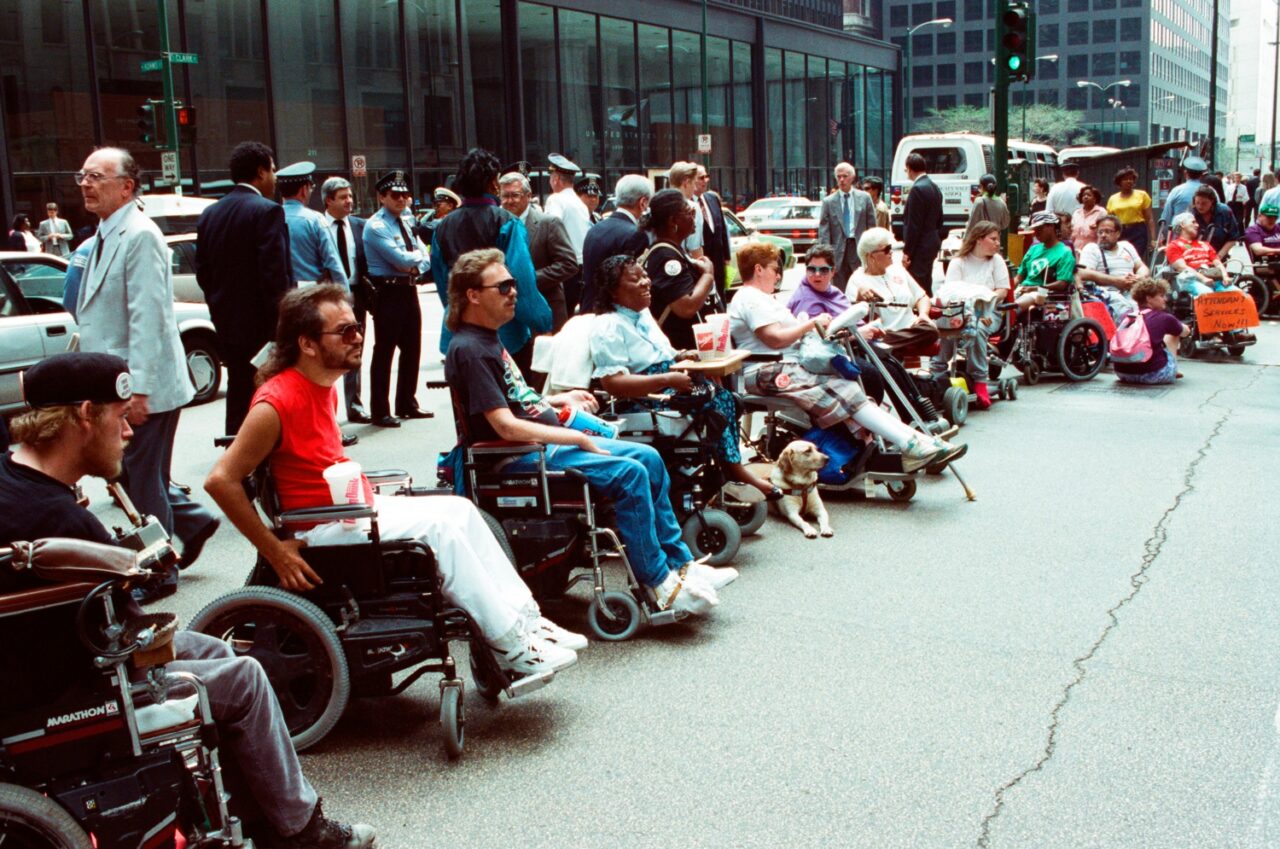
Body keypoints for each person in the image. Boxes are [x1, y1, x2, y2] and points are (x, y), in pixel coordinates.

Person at [0, 352, 376, 849]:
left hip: (33, 663)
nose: (131, 430)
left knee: (215, 651)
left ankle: (261, 814)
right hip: (65, 686)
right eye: (120, 415)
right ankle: (300, 830)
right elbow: (131, 630)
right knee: (244, 677)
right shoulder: (60, 518)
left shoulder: (15, 480)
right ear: (85, 416)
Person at [205, 284, 584, 676]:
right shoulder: (277, 402)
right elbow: (221, 480)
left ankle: (528, 621)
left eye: (357, 328)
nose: (358, 338)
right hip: (322, 525)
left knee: (460, 509)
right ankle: (509, 644)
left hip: (349, 509)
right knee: (440, 527)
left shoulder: (323, 388)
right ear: (308, 344)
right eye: (345, 332)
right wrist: (274, 550)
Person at [443, 248, 734, 618]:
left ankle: (682, 564)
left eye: (513, 285)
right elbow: (504, 425)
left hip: (534, 443)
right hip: (515, 456)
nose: (514, 292)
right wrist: (578, 438)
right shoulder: (470, 349)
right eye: (503, 287)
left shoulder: (486, 339)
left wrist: (558, 397)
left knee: (649, 456)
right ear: (472, 294)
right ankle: (659, 583)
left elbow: (514, 401)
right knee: (629, 472)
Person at [75, 146, 217, 603]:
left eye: (96, 176)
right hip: (114, 383)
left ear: (127, 186)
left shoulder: (140, 235)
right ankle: (193, 521)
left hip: (139, 384)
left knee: (137, 475)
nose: (85, 183)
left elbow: (149, 319)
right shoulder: (105, 232)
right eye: (82, 175)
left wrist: (137, 390)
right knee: (135, 473)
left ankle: (161, 571)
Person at [727, 241, 963, 471]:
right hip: (768, 371)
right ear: (759, 269)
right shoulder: (749, 298)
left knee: (852, 386)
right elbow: (774, 339)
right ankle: (911, 444)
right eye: (774, 270)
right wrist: (809, 324)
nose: (778, 276)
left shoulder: (761, 298)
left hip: (784, 366)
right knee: (846, 390)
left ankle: (917, 442)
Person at [589, 254, 778, 501]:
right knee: (716, 403)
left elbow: (661, 354)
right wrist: (666, 379)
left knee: (729, 398)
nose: (646, 282)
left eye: (645, 275)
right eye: (635, 280)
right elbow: (613, 383)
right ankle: (735, 470)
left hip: (669, 381)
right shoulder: (608, 326)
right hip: (644, 396)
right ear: (613, 291)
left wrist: (682, 355)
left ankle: (729, 467)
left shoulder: (642, 314)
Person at [788, 244, 951, 433]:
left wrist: (866, 330)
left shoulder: (834, 293)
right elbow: (818, 341)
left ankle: (915, 416)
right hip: (830, 354)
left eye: (823, 270)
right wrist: (857, 335)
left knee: (890, 362)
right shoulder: (806, 299)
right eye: (811, 269)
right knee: (875, 371)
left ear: (833, 271)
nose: (817, 275)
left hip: (856, 343)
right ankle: (903, 422)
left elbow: (848, 319)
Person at [196, 141, 292, 434]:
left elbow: (204, 274)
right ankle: (262, 466)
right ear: (261, 171)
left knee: (237, 392)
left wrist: (220, 310)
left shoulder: (210, 214)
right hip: (263, 330)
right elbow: (276, 277)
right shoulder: (267, 212)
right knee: (268, 396)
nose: (275, 178)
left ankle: (236, 456)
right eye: (273, 170)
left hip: (227, 326)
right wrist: (281, 328)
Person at [430, 149, 550, 377]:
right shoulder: (507, 222)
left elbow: (443, 284)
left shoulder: (442, 228)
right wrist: (542, 322)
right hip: (505, 333)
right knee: (515, 404)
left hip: (460, 332)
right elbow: (522, 280)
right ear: (494, 183)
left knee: (466, 405)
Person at [364, 169, 433, 428]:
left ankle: (407, 402)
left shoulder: (405, 221)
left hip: (408, 288)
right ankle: (380, 410)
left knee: (412, 348)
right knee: (385, 351)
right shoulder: (376, 226)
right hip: (388, 291)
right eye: (395, 195)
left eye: (405, 195)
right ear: (382, 197)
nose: (402, 200)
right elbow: (402, 260)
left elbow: (424, 256)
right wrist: (415, 261)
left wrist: (415, 262)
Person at [930, 222, 1010, 410]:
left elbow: (1002, 291)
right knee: (945, 327)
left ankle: (980, 380)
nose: (997, 243)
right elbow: (951, 291)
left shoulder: (996, 261)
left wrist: (983, 299)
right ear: (979, 239)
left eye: (998, 239)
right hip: (960, 310)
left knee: (978, 328)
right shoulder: (958, 263)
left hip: (988, 312)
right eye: (993, 239)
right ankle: (937, 374)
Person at [499, 170, 578, 332]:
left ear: (528, 196)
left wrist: (529, 279)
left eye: (515, 195)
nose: (509, 201)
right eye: (504, 196)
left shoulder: (548, 223)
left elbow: (569, 264)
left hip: (547, 308)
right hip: (510, 314)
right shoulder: (497, 225)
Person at [640, 188, 717, 350]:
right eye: (689, 212)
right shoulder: (665, 257)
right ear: (673, 221)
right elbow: (686, 307)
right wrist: (708, 275)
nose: (694, 217)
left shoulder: (674, 250)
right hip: (681, 351)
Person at [321, 176, 371, 425]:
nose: (349, 201)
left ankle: (355, 403)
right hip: (327, 299)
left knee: (354, 349)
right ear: (329, 200)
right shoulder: (317, 225)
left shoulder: (360, 226)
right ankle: (325, 410)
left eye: (350, 196)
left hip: (355, 296)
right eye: (343, 197)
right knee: (326, 352)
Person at [849, 227, 940, 356]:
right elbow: (852, 315)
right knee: (873, 337)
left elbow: (922, 296)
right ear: (871, 256)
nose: (891, 252)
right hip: (882, 331)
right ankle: (885, 344)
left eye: (890, 248)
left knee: (931, 331)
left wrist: (923, 314)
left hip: (911, 329)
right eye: (886, 250)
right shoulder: (857, 279)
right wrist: (860, 295)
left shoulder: (898, 270)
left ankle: (886, 345)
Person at [580, 174, 652, 312]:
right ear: (643, 202)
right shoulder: (636, 235)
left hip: (589, 306)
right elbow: (633, 283)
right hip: (615, 313)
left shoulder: (596, 228)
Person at [276, 162, 345, 289]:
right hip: (310, 293)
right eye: (311, 187)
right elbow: (333, 263)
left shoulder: (271, 218)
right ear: (304, 190)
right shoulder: (315, 219)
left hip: (280, 295)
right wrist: (345, 299)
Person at [1113, 278, 1190, 385]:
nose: (1165, 300)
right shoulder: (1164, 318)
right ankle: (1174, 370)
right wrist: (1182, 326)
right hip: (1153, 375)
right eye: (1161, 296)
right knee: (1173, 334)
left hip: (1122, 374)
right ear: (1148, 298)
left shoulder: (1126, 316)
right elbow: (1184, 332)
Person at [542, 153, 591, 313]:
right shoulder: (579, 202)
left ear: (556, 179)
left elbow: (550, 230)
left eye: (551, 178)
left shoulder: (556, 199)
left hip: (565, 268)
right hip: (581, 267)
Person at [818, 161, 876, 291]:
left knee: (862, 285)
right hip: (838, 252)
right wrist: (826, 255)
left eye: (844, 176)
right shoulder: (828, 202)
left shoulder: (865, 198)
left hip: (859, 248)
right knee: (840, 288)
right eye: (838, 177)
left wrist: (873, 250)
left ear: (852, 177)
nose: (841, 180)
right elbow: (824, 232)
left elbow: (872, 226)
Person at [1075, 214, 1144, 321]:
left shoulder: (1127, 246)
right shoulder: (1092, 249)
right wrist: (1116, 281)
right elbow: (1084, 273)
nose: (1103, 235)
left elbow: (1141, 266)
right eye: (1100, 232)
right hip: (1108, 293)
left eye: (1108, 231)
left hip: (1132, 290)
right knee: (1128, 312)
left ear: (1118, 233)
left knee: (1151, 310)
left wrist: (1138, 277)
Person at [1012, 211, 1076, 308]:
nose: (1036, 233)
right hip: (1023, 289)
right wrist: (1008, 289)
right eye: (1035, 229)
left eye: (1040, 229)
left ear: (1051, 226)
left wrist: (1035, 288)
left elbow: (1062, 283)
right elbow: (1019, 277)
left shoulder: (1065, 253)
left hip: (1044, 294)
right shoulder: (1033, 249)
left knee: (1013, 307)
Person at [901, 152, 944, 295]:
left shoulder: (917, 189)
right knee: (926, 280)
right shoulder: (934, 187)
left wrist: (907, 252)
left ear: (909, 168)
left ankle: (922, 313)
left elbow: (914, 225)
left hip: (920, 244)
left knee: (918, 284)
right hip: (932, 240)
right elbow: (940, 218)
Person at [1165, 211, 1233, 296]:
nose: (1197, 225)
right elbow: (1182, 267)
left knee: (1237, 294)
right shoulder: (1173, 246)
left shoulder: (1204, 244)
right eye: (1193, 222)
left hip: (1213, 277)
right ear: (1182, 224)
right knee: (1208, 295)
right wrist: (1203, 278)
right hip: (1191, 279)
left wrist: (1225, 276)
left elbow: (1218, 263)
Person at [695, 164, 732, 297]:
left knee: (721, 295)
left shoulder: (712, 199)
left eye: (707, 176)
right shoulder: (687, 205)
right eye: (701, 177)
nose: (706, 180)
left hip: (718, 261)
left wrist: (726, 256)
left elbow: (722, 229)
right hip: (701, 263)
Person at [1105, 167, 1155, 260]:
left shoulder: (1142, 195)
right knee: (1122, 257)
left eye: (1131, 179)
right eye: (1125, 179)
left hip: (1138, 231)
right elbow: (1110, 220)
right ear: (1119, 182)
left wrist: (1153, 239)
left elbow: (1149, 218)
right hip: (1121, 232)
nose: (1129, 181)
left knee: (1136, 258)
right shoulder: (1113, 198)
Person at [1189, 184, 1240, 259]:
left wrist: (1219, 256)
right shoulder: (1190, 214)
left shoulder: (1224, 211)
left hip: (1219, 255)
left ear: (1212, 201)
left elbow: (1233, 237)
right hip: (1194, 257)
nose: (1200, 206)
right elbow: (1184, 241)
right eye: (1197, 203)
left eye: (1204, 203)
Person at [667, 161, 705, 260]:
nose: (695, 187)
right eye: (693, 183)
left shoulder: (657, 206)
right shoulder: (692, 207)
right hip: (683, 265)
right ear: (686, 183)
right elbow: (695, 249)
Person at [1160, 155, 1209, 229]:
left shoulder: (1176, 191)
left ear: (1185, 173)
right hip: (1204, 234)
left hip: (1179, 234)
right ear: (1201, 175)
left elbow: (1166, 216)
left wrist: (1166, 235)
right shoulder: (1210, 191)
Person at [1069, 185, 1106, 255]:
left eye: (1089, 195)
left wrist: (1097, 227)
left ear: (1095, 199)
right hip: (1076, 250)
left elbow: (1104, 231)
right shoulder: (1076, 213)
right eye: (1084, 195)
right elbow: (1072, 233)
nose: (1085, 197)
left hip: (1093, 251)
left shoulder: (1101, 212)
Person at [1046, 160, 1084, 226]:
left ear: (1063, 174)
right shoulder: (1084, 188)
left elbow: (1049, 211)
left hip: (1060, 227)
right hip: (1079, 226)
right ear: (1077, 173)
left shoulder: (1055, 188)